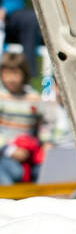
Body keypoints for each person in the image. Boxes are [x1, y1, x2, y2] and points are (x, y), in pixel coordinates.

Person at [0, 48, 44, 183]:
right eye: (7, 73)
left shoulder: (34, 98)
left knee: (42, 171)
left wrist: (46, 143)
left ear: (24, 74)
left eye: (15, 74)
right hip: (5, 151)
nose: (11, 79)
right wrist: (10, 150)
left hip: (29, 151)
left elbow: (44, 124)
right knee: (14, 172)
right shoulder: (1, 97)